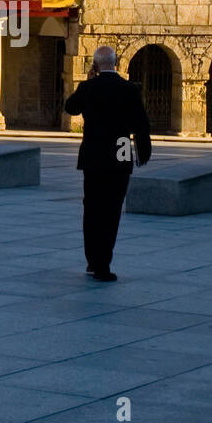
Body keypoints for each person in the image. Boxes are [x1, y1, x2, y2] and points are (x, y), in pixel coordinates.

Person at [63, 45, 152, 282]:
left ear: (95, 64)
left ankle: (93, 260)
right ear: (116, 63)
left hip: (93, 154)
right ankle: (104, 263)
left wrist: (88, 81)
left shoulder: (88, 87)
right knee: (112, 210)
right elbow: (141, 124)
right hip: (121, 151)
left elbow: (70, 107)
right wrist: (143, 152)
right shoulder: (129, 89)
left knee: (92, 208)